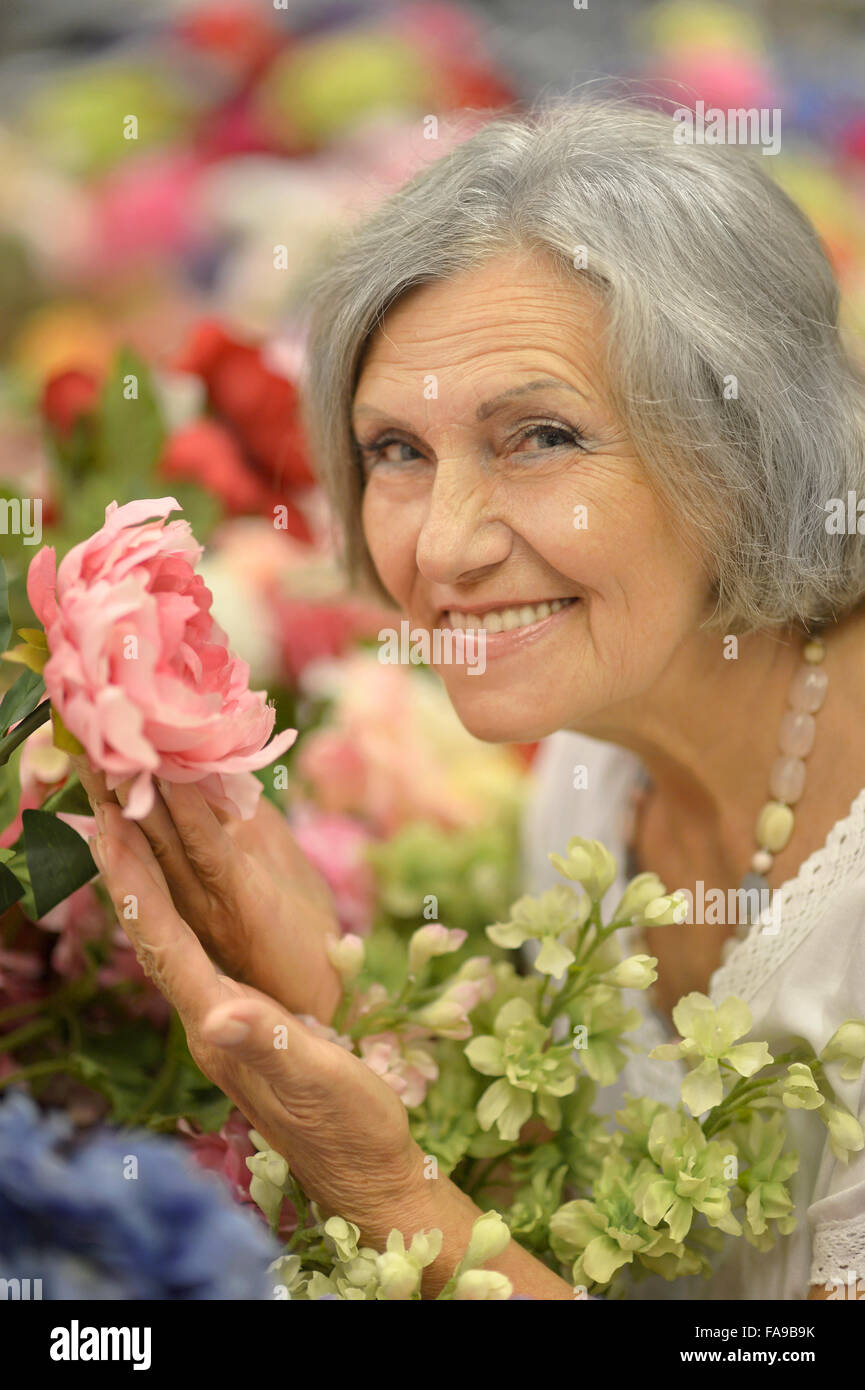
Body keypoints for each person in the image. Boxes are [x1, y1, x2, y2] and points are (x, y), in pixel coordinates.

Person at [80, 98, 865, 1300]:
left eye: (538, 436)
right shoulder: (592, 771)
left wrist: (388, 1199)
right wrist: (337, 1000)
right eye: (395, 449)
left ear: (745, 450)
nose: (439, 549)